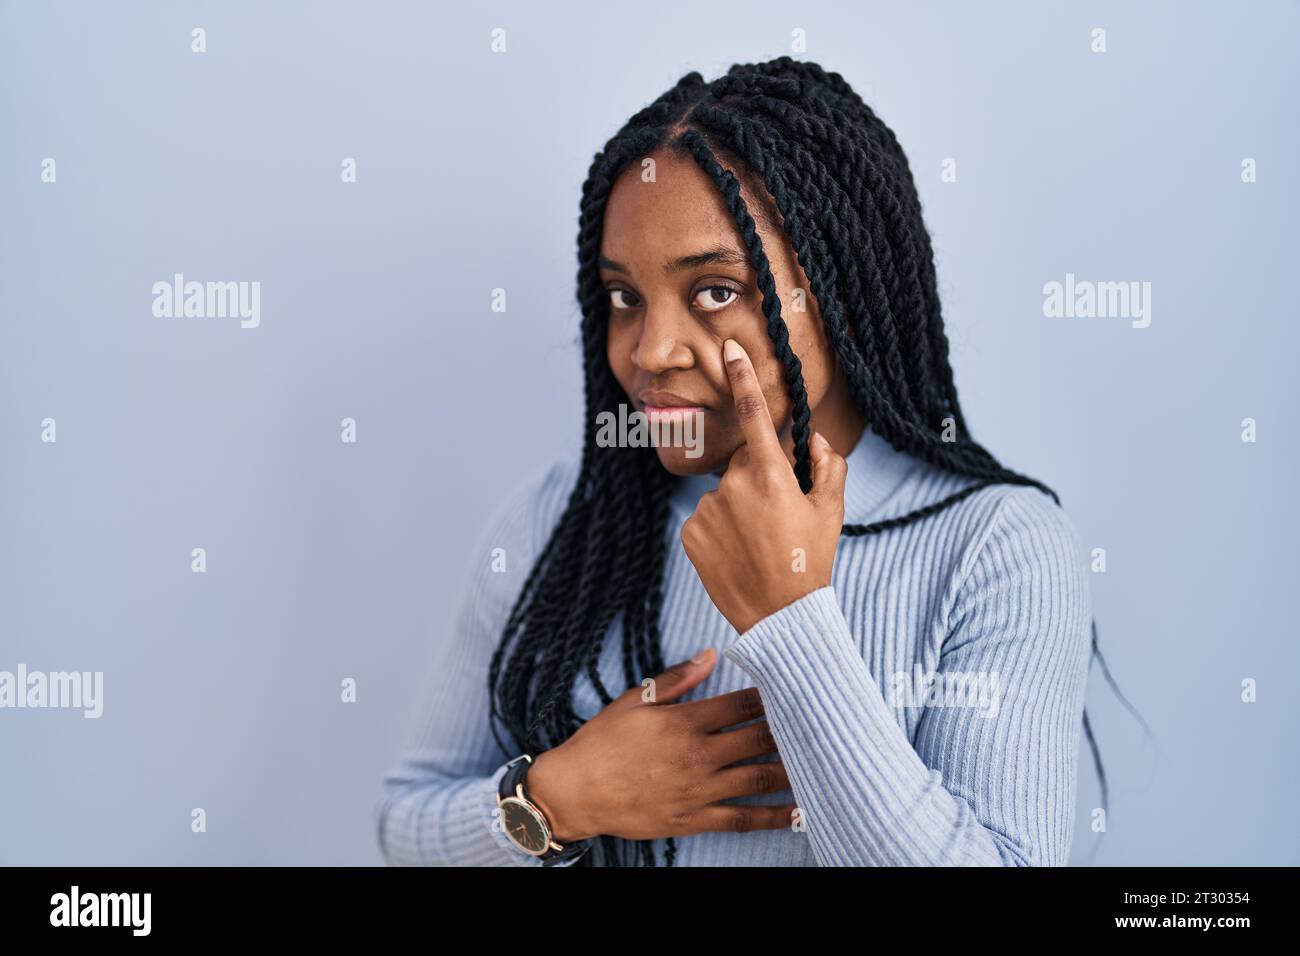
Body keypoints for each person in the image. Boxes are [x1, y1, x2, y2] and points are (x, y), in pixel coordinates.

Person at [375, 57, 1094, 867]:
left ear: (844, 297)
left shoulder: (998, 549)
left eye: (715, 291)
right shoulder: (558, 519)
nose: (649, 351)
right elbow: (406, 823)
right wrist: (560, 799)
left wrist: (790, 619)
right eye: (625, 298)